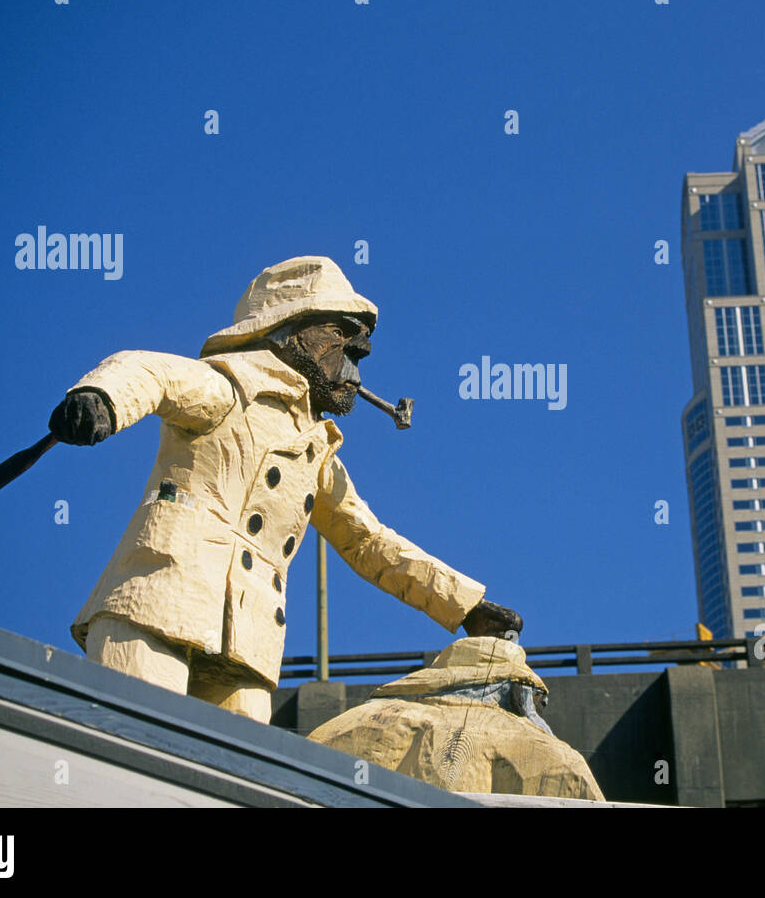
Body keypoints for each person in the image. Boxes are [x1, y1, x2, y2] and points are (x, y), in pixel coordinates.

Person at [49, 255, 522, 722]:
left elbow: (369, 541)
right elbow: (150, 371)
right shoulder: (230, 388)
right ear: (297, 330)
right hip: (157, 599)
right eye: (346, 347)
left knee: (238, 780)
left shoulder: (317, 452)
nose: (354, 373)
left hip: (248, 642)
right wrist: (102, 399)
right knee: (134, 750)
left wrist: (463, 604)